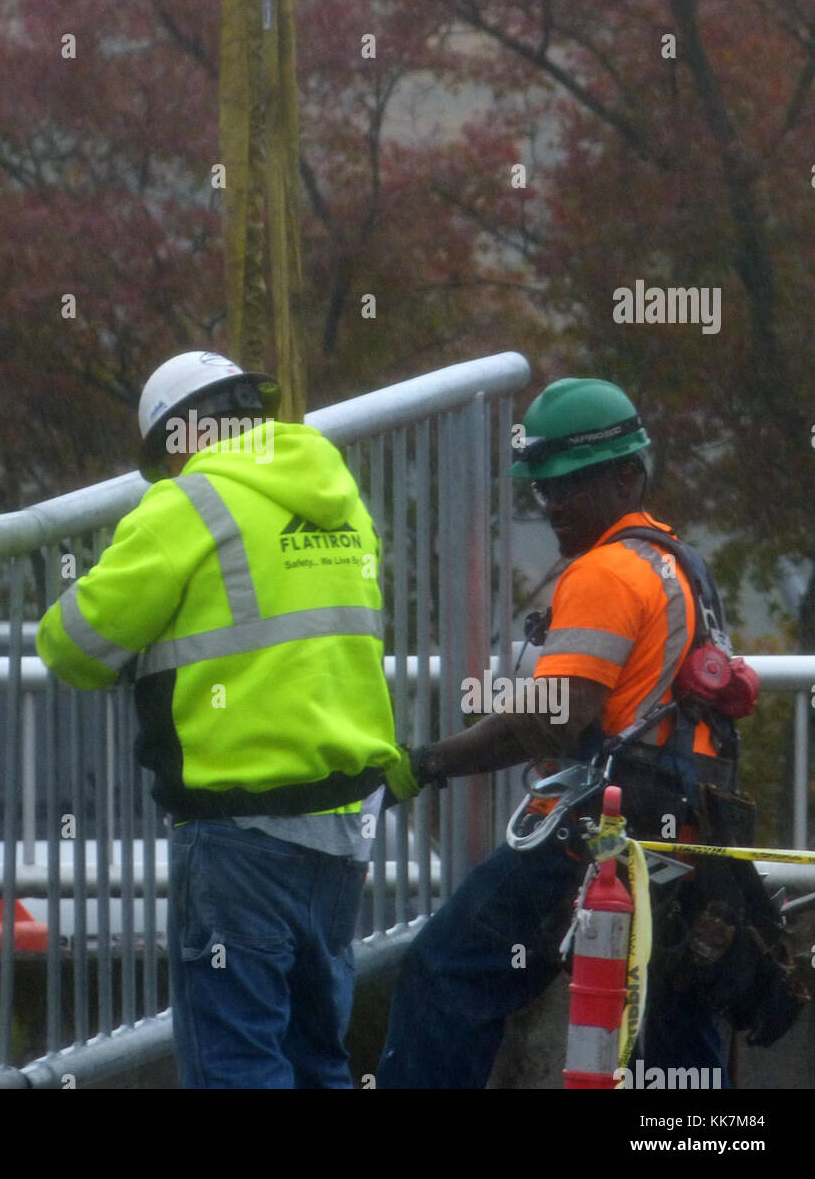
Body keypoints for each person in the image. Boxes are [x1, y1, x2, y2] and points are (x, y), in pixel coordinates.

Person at [37, 350, 419, 1089]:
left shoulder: (188, 504)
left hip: (240, 830)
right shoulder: (339, 497)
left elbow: (74, 646)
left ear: (179, 436)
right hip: (344, 821)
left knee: (236, 1060)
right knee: (317, 1054)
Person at [377, 376, 741, 1089]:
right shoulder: (677, 563)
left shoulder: (605, 570)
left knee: (448, 971)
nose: (552, 504)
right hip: (689, 823)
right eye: (541, 488)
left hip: (609, 824)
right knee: (669, 1021)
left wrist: (424, 763)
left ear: (628, 474)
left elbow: (550, 716)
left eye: (569, 485)